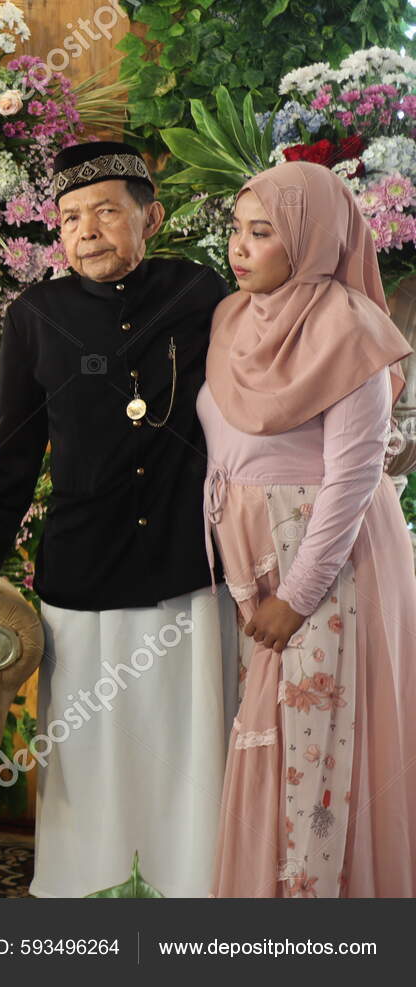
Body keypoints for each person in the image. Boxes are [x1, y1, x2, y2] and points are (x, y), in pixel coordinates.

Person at [0, 141, 240, 896]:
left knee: (186, 739)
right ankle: (84, 890)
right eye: (71, 217)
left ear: (149, 217)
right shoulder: (36, 315)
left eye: (106, 210)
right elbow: (17, 445)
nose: (88, 229)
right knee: (90, 744)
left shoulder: (200, 294)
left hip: (185, 559)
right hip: (82, 560)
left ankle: (192, 887)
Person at [202, 161, 415, 897]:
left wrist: (295, 594)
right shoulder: (234, 317)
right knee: (272, 737)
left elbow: (354, 477)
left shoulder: (349, 329)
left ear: (312, 238)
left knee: (315, 743)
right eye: (236, 229)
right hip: (253, 562)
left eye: (262, 233)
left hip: (322, 566)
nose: (240, 246)